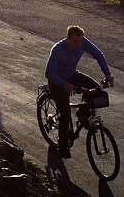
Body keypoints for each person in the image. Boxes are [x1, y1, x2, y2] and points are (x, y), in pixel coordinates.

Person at [45, 24, 114, 158]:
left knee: (96, 90)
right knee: (65, 115)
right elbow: (49, 72)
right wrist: (64, 84)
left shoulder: (82, 42)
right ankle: (63, 145)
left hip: (71, 75)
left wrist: (107, 74)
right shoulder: (58, 49)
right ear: (68, 38)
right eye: (76, 41)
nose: (79, 44)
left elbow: (98, 54)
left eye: (81, 41)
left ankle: (82, 114)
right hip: (57, 82)